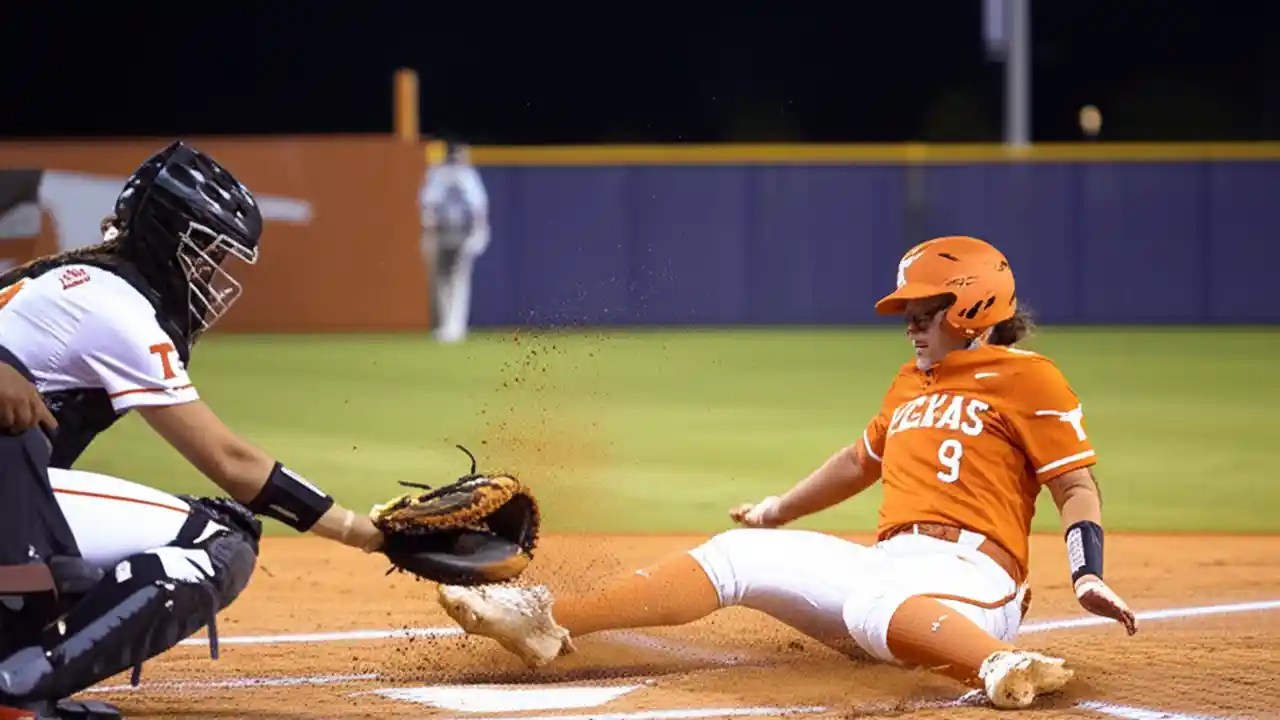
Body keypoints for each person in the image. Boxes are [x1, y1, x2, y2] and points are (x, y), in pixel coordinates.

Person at [436, 235, 1139, 710]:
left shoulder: (1028, 378)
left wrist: (1087, 572)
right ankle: (549, 622)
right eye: (909, 313)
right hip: (895, 565)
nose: (910, 326)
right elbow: (859, 461)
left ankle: (995, 667)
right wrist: (781, 509)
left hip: (975, 581)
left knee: (874, 607)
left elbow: (1074, 484)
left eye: (925, 313)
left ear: (973, 309)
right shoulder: (909, 383)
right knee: (739, 554)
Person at [0, 141, 386, 719]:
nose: (212, 271)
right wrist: (365, 532)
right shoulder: (114, 304)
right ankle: (21, 683)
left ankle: (12, 656)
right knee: (218, 539)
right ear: (166, 236)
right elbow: (230, 461)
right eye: (205, 250)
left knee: (62, 541)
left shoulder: (72, 281)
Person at [419, 139, 489, 344]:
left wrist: (479, 231)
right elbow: (428, 208)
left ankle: (454, 327)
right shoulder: (440, 175)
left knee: (457, 280)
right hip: (443, 233)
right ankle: (445, 326)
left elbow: (479, 208)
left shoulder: (464, 175)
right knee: (443, 281)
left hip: (461, 233)